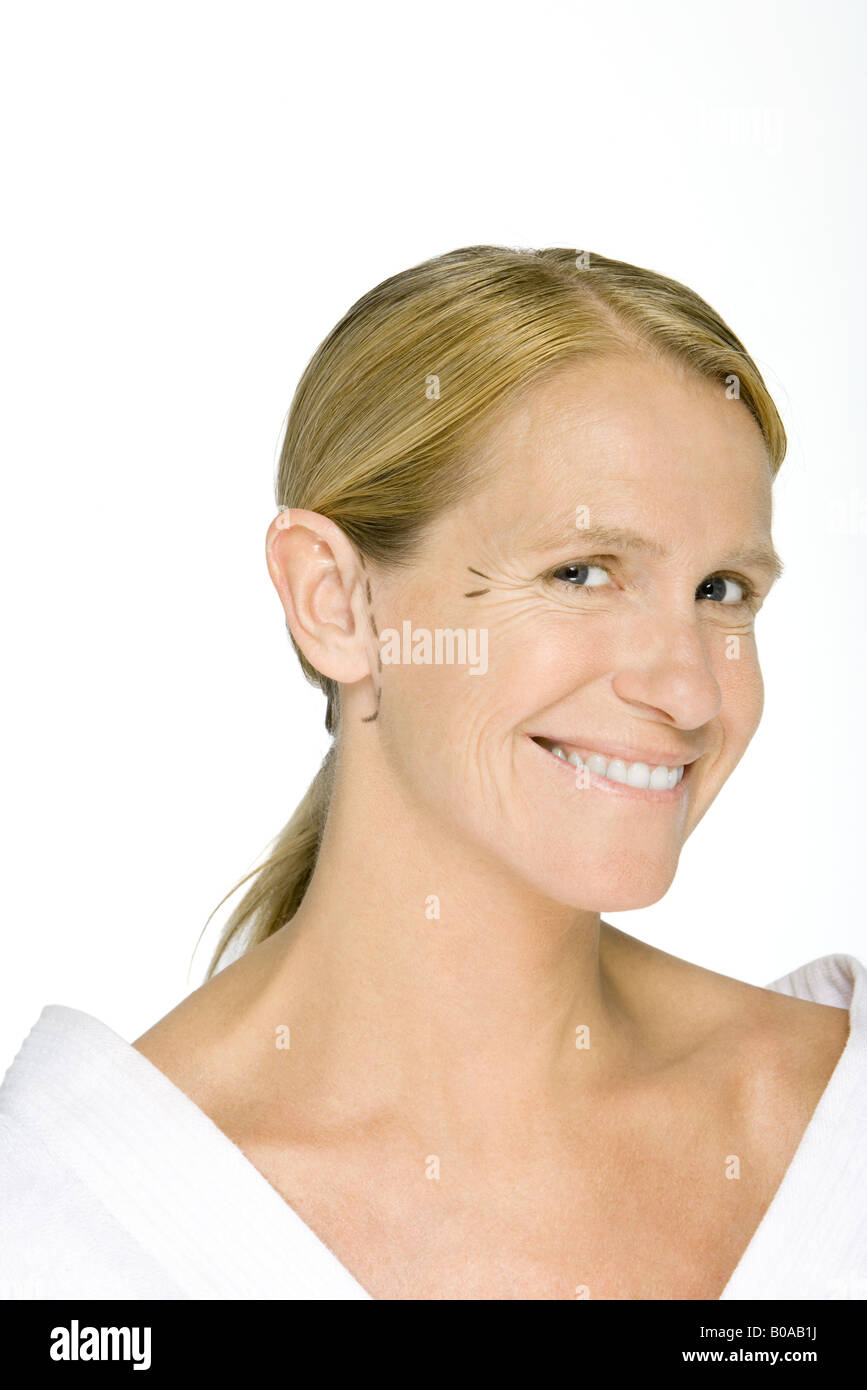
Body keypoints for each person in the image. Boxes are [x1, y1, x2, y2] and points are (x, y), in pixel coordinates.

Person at [1, 246, 864, 1301]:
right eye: (584, 573)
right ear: (337, 601)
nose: (689, 691)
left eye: (722, 589)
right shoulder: (61, 1234)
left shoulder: (833, 1126)